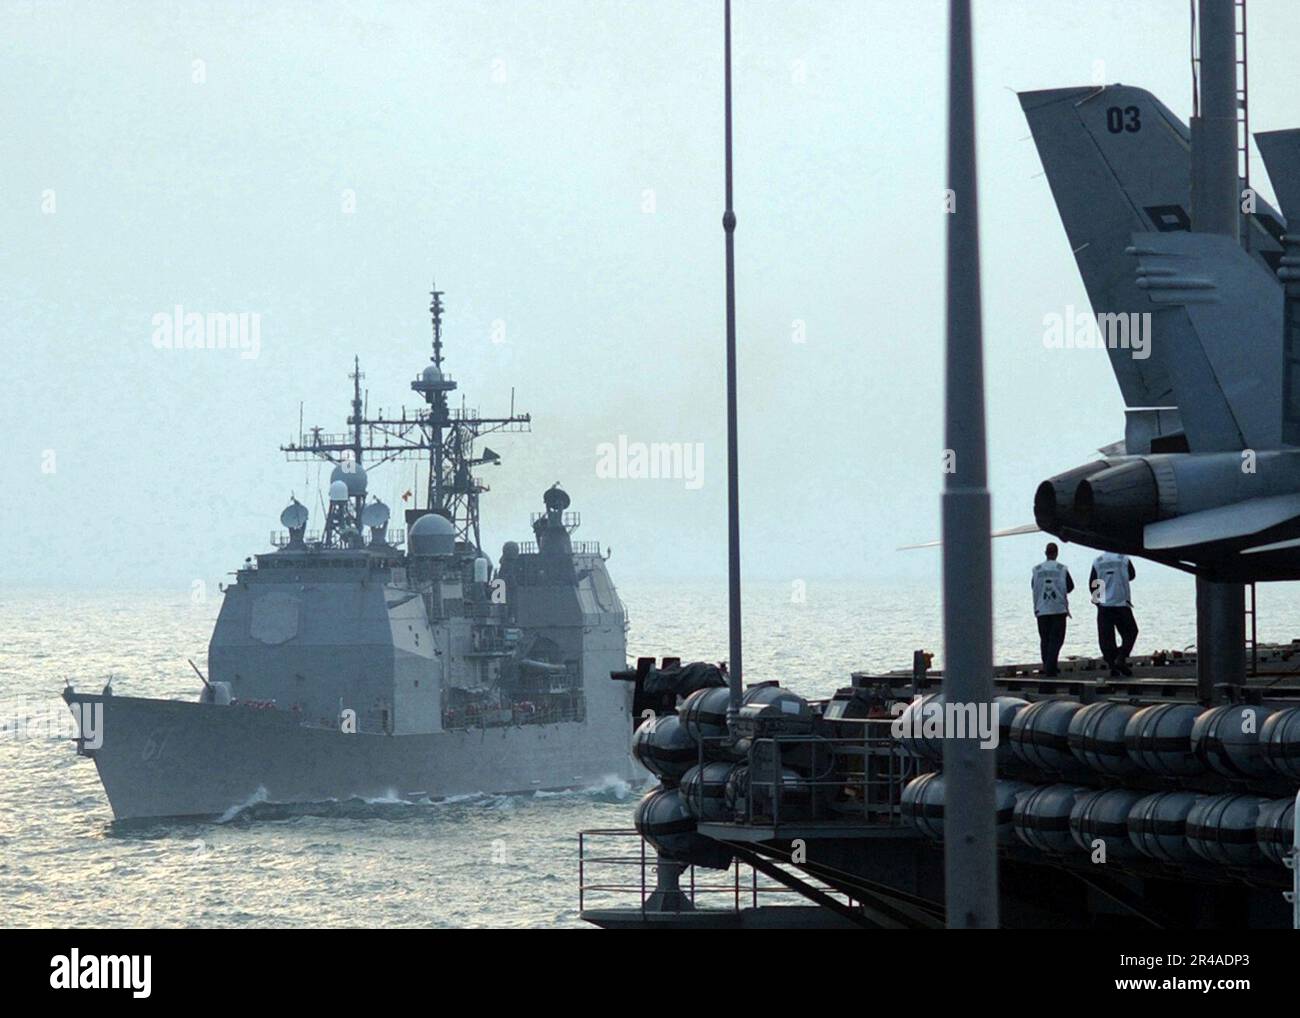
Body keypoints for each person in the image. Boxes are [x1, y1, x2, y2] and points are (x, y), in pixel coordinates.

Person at [1090, 550, 1138, 677]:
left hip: (1104, 605)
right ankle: (1121, 657)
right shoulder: (1124, 559)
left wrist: (1097, 601)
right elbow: (1132, 575)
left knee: (1106, 639)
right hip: (1121, 603)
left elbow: (1093, 584)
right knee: (1131, 632)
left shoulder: (1098, 561)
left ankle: (1113, 666)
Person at [1031, 543, 1074, 676]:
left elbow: (1033, 586)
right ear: (1056, 553)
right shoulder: (1062, 569)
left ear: (1046, 553)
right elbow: (1070, 586)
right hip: (1058, 609)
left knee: (1045, 639)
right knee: (1057, 639)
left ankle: (1048, 665)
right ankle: (1050, 667)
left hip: (1042, 609)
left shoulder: (1036, 570)